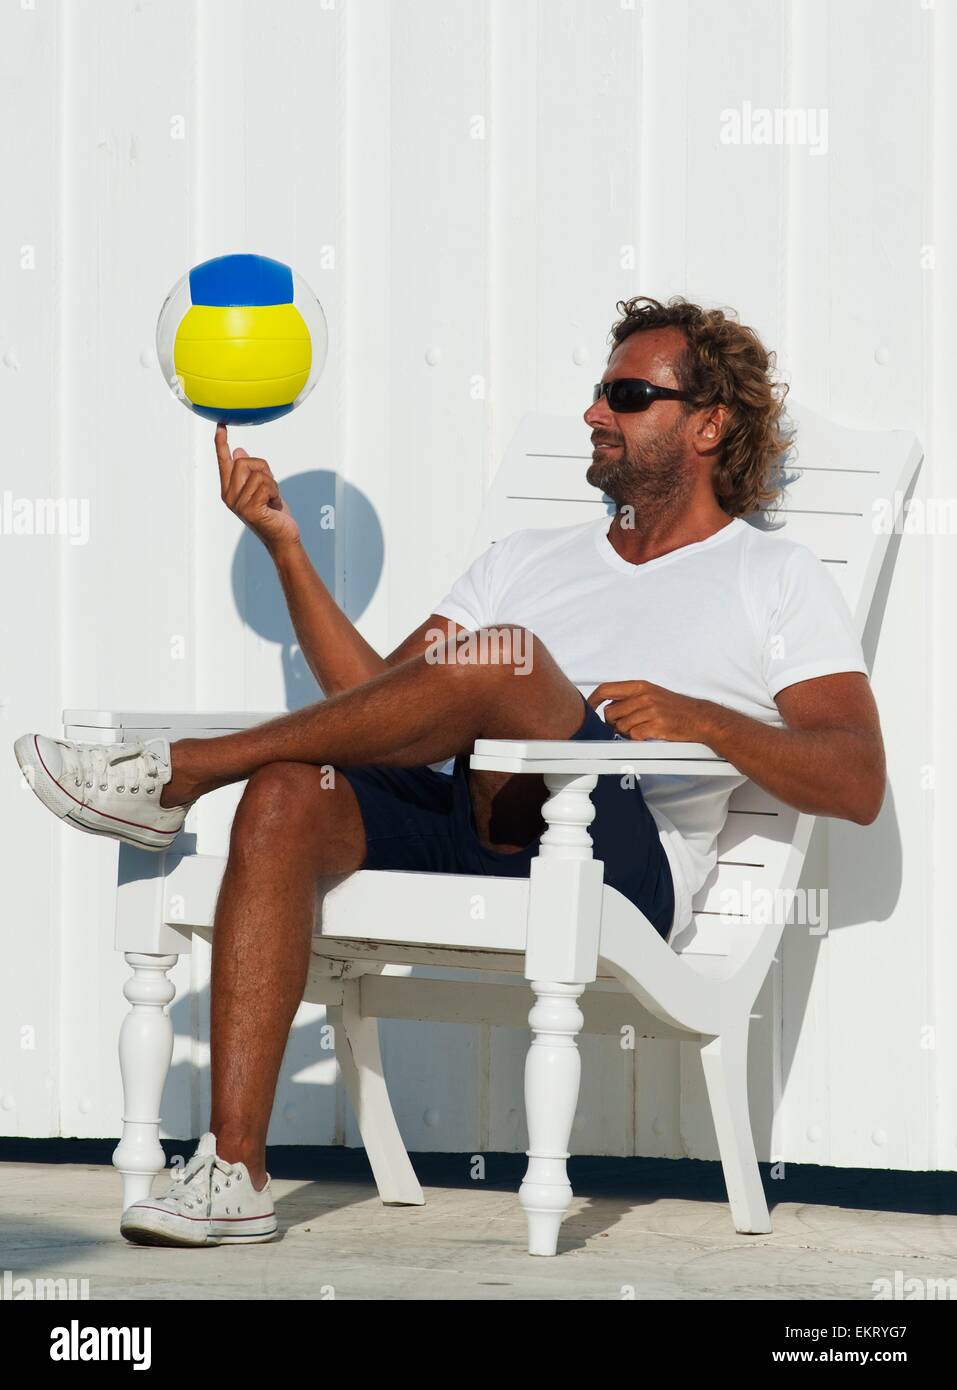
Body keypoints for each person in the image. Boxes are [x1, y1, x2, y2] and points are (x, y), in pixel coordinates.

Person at [14, 295, 885, 1248]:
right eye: (597, 393)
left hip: (616, 861)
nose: (594, 414)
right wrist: (286, 547)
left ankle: (180, 773)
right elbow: (373, 704)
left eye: (627, 395)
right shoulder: (526, 558)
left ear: (709, 424)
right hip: (473, 814)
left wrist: (705, 720)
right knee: (284, 793)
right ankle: (235, 1173)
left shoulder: (774, 578)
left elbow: (854, 778)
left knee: (509, 657)